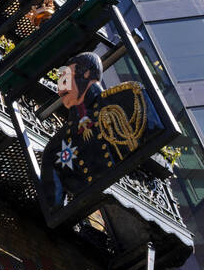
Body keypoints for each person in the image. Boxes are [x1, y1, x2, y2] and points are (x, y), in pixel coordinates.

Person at [38, 51, 160, 217]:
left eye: (65, 77)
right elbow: (53, 203)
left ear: (87, 74)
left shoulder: (126, 98)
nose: (60, 89)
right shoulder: (57, 144)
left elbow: (154, 127)